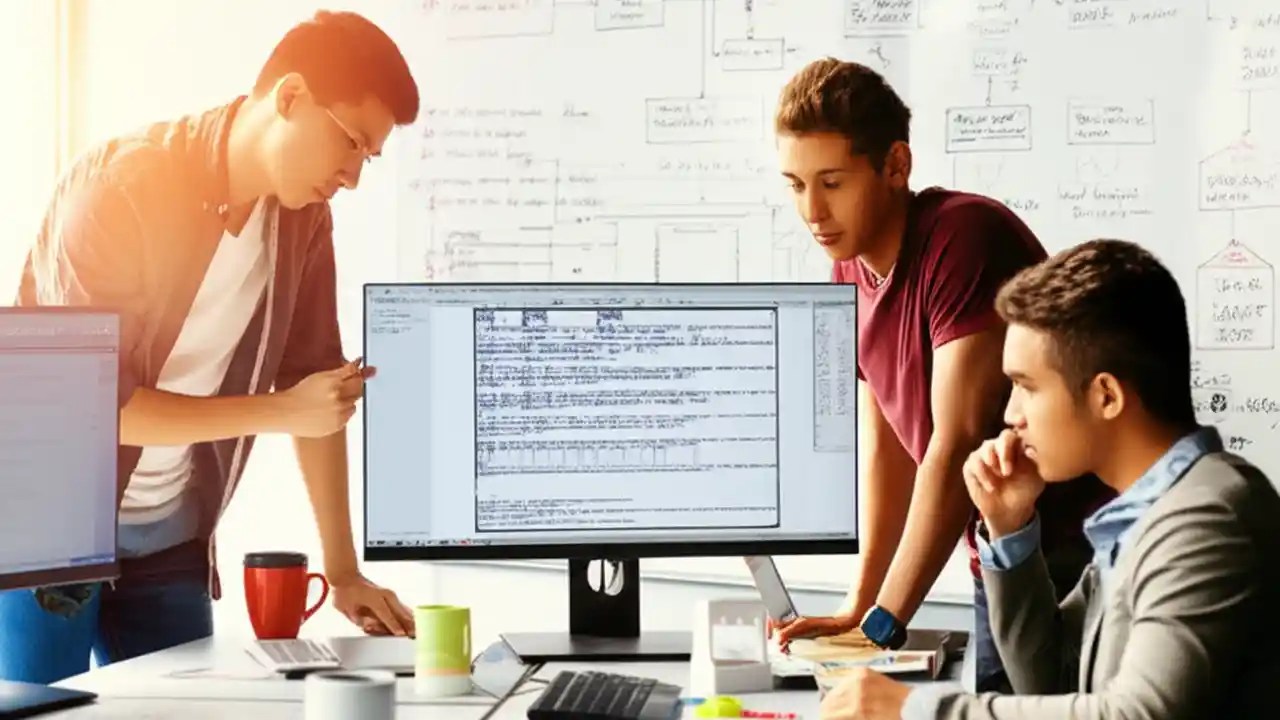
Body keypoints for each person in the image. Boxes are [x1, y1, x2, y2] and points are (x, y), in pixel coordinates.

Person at [0, 11, 420, 683]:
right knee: (41, 707)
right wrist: (281, 409)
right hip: (48, 532)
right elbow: (98, 412)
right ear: (290, 97)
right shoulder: (121, 190)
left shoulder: (302, 222)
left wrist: (341, 571)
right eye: (350, 144)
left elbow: (316, 388)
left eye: (367, 159)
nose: (352, 177)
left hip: (170, 536)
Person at [818, 238, 1280, 719]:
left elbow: (1136, 716)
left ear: (1106, 396)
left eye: (1026, 386)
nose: (1011, 414)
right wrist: (1010, 530)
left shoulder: (1207, 520)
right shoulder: (1144, 516)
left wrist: (917, 709)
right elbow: (1052, 680)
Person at [769, 57, 1114, 693]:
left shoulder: (963, 237)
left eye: (832, 182)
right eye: (795, 185)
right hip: (1002, 547)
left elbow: (952, 442)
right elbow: (889, 453)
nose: (812, 211)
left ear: (896, 165)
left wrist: (881, 627)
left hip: (1080, 554)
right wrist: (862, 604)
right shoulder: (849, 269)